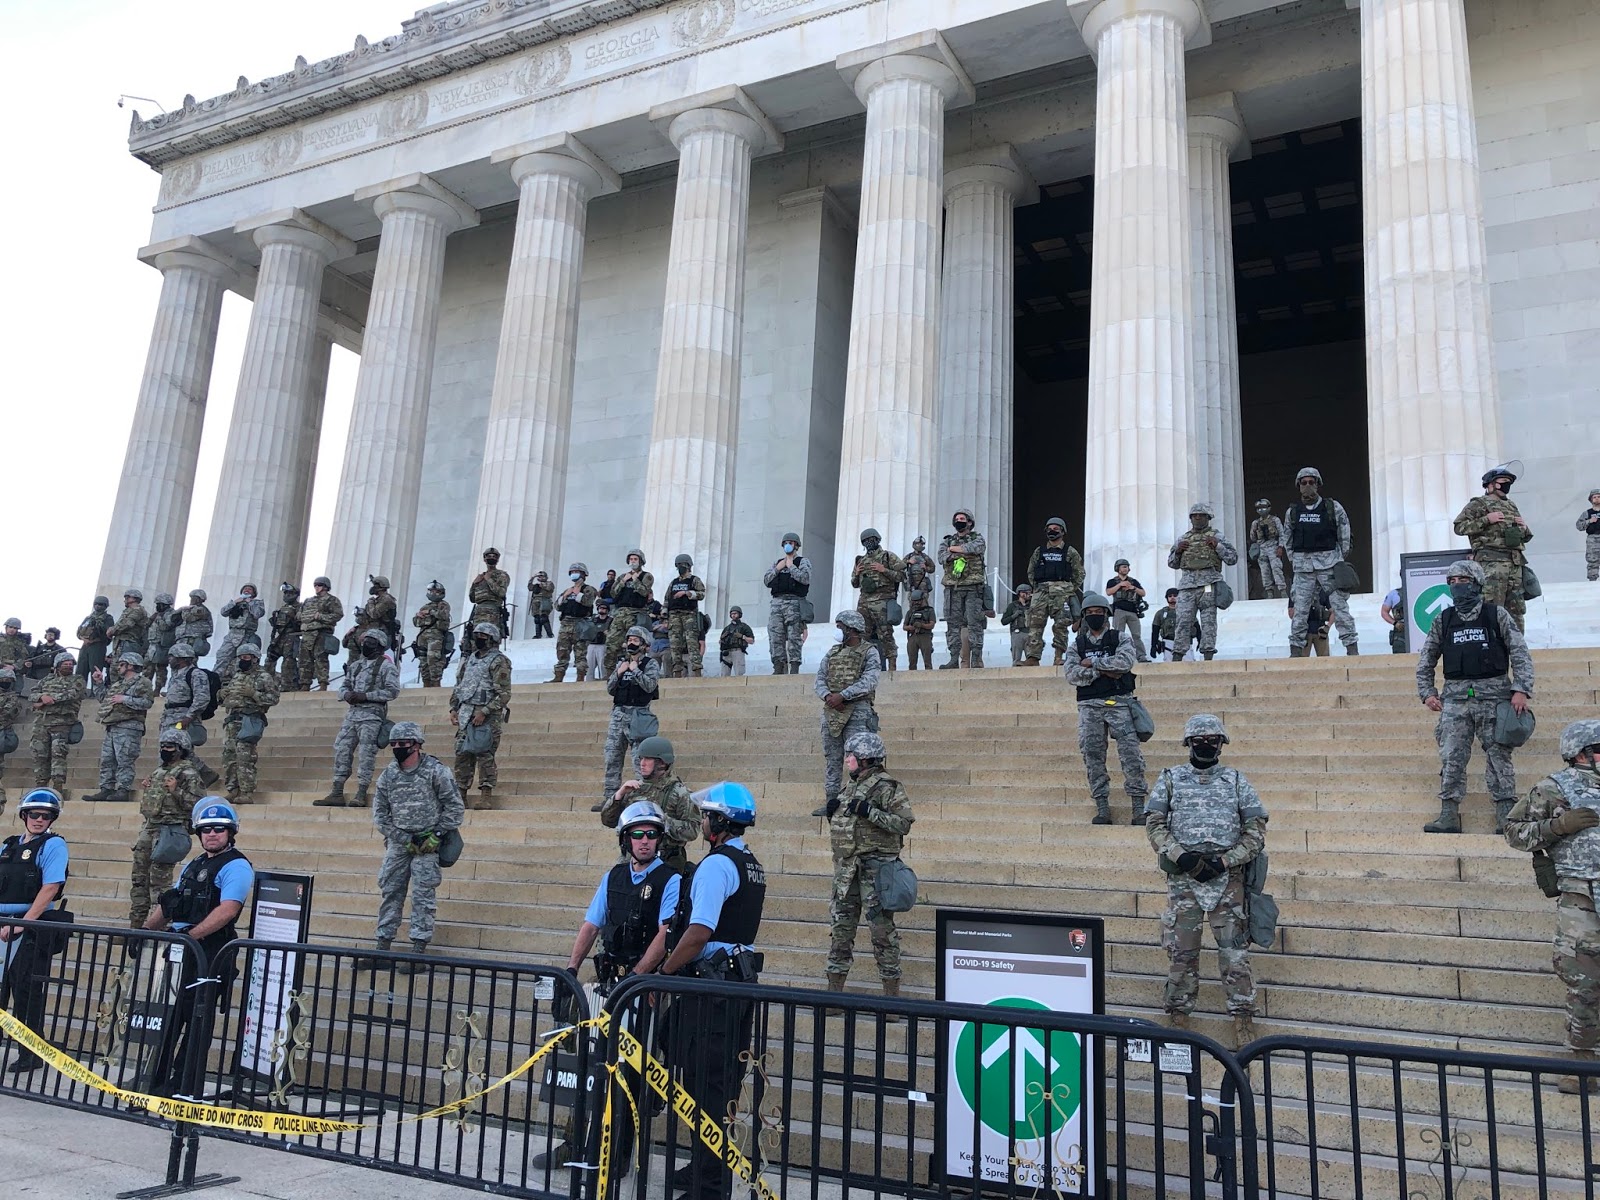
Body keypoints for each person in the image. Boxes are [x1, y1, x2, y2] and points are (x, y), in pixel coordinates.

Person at [549, 799, 684, 1170]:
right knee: (590, 1065)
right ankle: (573, 1145)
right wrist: (571, 970)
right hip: (607, 982)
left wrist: (638, 975)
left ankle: (620, 1154)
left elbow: (666, 932)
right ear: (626, 839)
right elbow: (591, 925)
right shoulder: (614, 876)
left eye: (651, 834)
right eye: (637, 834)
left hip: (641, 988)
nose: (645, 841)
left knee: (630, 1073)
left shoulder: (670, 879)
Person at [657, 782, 765, 1200]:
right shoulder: (749, 861)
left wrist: (665, 971)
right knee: (702, 1073)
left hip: (714, 989)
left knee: (710, 1085)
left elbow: (699, 931)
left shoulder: (717, 865)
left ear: (719, 821)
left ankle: (710, 1186)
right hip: (732, 985)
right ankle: (703, 1166)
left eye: (705, 816)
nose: (701, 822)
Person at [1145, 714, 1267, 1049]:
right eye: (1199, 740)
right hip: (1184, 880)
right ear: (1187, 743)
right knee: (1181, 951)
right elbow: (1154, 823)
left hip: (1227, 881)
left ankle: (1243, 1016)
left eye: (1213, 739)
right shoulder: (1170, 778)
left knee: (1235, 954)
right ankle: (1178, 1011)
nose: (1205, 744)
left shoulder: (1236, 780)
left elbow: (1256, 831)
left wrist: (1226, 860)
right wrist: (1179, 854)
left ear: (1221, 743)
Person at [1503, 719, 1600, 1095]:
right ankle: (1579, 1064)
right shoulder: (1555, 788)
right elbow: (1512, 830)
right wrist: (1557, 828)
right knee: (1585, 983)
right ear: (1582, 753)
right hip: (1582, 900)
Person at [140, 798, 254, 1095]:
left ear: (231, 833)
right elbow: (171, 903)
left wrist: (193, 935)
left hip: (210, 952)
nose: (212, 834)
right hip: (184, 950)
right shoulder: (195, 863)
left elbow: (228, 909)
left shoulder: (237, 865)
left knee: (196, 1023)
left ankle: (184, 1085)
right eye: (206, 830)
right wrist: (144, 932)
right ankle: (157, 1082)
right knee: (172, 1018)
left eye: (219, 829)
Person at [1417, 559, 1534, 834]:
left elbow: (1520, 654)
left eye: (1463, 581)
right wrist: (1427, 693)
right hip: (1455, 701)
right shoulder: (1443, 619)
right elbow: (1426, 660)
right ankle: (1448, 814)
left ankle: (1506, 813)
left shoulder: (1497, 615)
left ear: (1477, 583)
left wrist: (1521, 689)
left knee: (1498, 756)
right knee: (1451, 756)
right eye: (1452, 582)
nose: (1457, 586)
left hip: (1494, 698)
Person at [362, 722, 463, 973]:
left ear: (416, 745)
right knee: (390, 891)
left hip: (429, 844)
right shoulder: (389, 775)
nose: (397, 748)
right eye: (394, 744)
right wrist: (404, 839)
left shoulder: (436, 771)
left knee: (423, 895)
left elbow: (455, 807)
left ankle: (418, 950)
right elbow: (381, 816)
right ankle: (382, 947)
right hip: (400, 843)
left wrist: (436, 835)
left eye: (403, 744)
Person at [825, 730, 913, 1000]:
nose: (847, 760)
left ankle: (891, 998)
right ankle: (833, 997)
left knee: (882, 934)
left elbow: (903, 822)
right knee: (841, 931)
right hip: (848, 871)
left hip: (876, 871)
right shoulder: (849, 786)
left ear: (866, 758)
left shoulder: (888, 786)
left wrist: (870, 812)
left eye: (851, 756)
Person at [0, 789, 70, 1075]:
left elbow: (51, 887)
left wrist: (23, 923)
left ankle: (31, 1054)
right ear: (24, 816)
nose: (39, 820)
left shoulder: (53, 845)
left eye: (46, 816)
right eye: (34, 814)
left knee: (27, 994)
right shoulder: (8, 845)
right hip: (3, 921)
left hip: (29, 926)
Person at [1066, 593, 1149, 825]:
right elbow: (1072, 674)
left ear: (1106, 614)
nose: (1094, 616)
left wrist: (1092, 663)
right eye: (1090, 613)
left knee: (1131, 755)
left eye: (1098, 612)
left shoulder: (1119, 638)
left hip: (1118, 702)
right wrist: (1105, 670)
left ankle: (1138, 808)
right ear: (1084, 616)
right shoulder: (1077, 645)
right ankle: (1102, 807)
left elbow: (1124, 663)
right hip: (1089, 707)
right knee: (1092, 756)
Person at [128, 728, 203, 929]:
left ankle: (155, 928)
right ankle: (135, 927)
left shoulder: (188, 773)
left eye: (169, 746)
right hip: (150, 827)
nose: (165, 750)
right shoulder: (159, 770)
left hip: (169, 831)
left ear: (181, 749)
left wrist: (176, 790)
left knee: (159, 884)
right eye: (162, 746)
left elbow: (197, 804)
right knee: (139, 880)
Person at [317, 629, 400, 809]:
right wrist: (347, 695)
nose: (365, 645)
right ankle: (337, 791)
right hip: (352, 715)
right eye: (364, 641)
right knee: (341, 750)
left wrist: (366, 695)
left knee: (366, 755)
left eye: (370, 641)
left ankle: (361, 792)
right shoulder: (356, 666)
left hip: (372, 716)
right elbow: (343, 686)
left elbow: (393, 691)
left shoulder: (386, 667)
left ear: (379, 645)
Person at [1284, 468, 1359, 655]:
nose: (1308, 486)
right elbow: (1287, 539)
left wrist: (1340, 558)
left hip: (1329, 564)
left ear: (1318, 484)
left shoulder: (1332, 507)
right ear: (1298, 486)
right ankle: (1295, 652)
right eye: (1304, 482)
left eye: (1311, 482)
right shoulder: (1292, 512)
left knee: (1340, 609)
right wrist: (1296, 560)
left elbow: (1345, 532)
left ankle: (1352, 650)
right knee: (1300, 612)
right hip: (1303, 567)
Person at [814, 610, 881, 817]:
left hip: (858, 711)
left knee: (860, 759)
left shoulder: (869, 651)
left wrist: (843, 696)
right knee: (832, 759)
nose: (837, 631)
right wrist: (828, 697)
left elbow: (869, 680)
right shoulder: (833, 652)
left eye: (840, 627)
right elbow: (819, 679)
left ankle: (858, 803)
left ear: (851, 629)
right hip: (832, 712)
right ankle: (831, 802)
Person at [1455, 462, 1534, 631]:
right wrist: (1486, 520)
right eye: (1501, 481)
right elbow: (1459, 527)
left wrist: (1524, 528)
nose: (1505, 485)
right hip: (1491, 562)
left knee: (1516, 609)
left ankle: (1516, 646)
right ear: (1490, 485)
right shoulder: (1478, 504)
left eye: (1508, 482)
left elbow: (1524, 537)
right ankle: (1490, 646)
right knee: (1491, 606)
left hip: (1514, 563)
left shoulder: (1511, 505)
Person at [599, 735, 699, 868]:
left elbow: (692, 830)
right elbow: (608, 820)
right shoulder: (634, 789)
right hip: (631, 863)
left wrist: (662, 821)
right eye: (641, 758)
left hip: (664, 864)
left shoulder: (680, 793)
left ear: (662, 763)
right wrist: (619, 794)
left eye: (648, 758)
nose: (642, 763)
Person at [597, 626, 659, 813]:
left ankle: (642, 801)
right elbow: (610, 689)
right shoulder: (621, 663)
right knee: (612, 758)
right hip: (618, 715)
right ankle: (610, 802)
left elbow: (650, 686)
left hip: (639, 716)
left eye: (635, 640)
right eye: (629, 640)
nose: (631, 643)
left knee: (640, 762)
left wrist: (636, 671)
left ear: (644, 644)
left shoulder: (650, 664)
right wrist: (619, 673)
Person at [450, 622, 512, 810]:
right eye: (476, 635)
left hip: (487, 716)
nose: (478, 639)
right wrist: (453, 708)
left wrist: (484, 711)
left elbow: (504, 694)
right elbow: (459, 685)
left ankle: (486, 794)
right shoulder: (470, 660)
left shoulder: (499, 661)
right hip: (466, 712)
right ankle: (460, 793)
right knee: (462, 754)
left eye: (482, 636)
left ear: (492, 639)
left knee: (485, 755)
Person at [1167, 503, 1239, 661]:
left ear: (1208, 518)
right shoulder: (1183, 538)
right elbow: (1172, 563)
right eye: (1194, 515)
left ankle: (1208, 654)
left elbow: (1232, 558)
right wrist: (1178, 551)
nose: (1197, 518)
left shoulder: (1217, 536)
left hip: (1208, 585)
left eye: (1201, 515)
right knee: (1183, 621)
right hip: (1187, 586)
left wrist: (1218, 546)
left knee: (1208, 621)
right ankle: (1178, 655)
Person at [85, 651, 153, 803]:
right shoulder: (118, 684)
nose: (118, 667)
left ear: (130, 665)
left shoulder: (143, 682)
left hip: (129, 726)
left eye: (122, 664)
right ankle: (106, 789)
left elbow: (147, 702)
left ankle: (123, 789)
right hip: (112, 725)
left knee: (124, 759)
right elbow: (105, 699)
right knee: (107, 759)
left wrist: (126, 699)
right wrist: (98, 683)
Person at [217, 641, 279, 804]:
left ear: (254, 659)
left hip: (250, 719)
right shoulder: (236, 675)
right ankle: (232, 789)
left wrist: (254, 694)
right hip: (232, 718)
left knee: (245, 756)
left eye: (245, 657)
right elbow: (227, 695)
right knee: (229, 757)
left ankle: (246, 791)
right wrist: (221, 694)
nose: (241, 660)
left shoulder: (263, 676)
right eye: (240, 657)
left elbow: (273, 699)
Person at [1022, 517, 1083, 667]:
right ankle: (1033, 657)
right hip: (1041, 593)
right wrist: (1037, 588)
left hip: (1061, 594)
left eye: (1056, 528)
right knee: (1035, 625)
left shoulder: (1070, 551)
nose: (1052, 531)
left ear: (1063, 531)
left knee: (1061, 625)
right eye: (1049, 528)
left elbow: (1079, 573)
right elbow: (1031, 571)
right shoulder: (1039, 551)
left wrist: (1068, 589)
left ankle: (1058, 656)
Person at [160, 643, 220, 788]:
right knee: (172, 748)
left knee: (180, 748)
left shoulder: (195, 674)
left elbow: (202, 697)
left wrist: (189, 716)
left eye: (172, 656)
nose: (169, 659)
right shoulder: (175, 675)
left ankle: (204, 773)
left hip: (182, 717)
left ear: (181, 658)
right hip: (170, 716)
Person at [30, 652, 85, 801]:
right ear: (57, 665)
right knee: (39, 755)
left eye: (70, 663)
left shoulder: (77, 679)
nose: (68, 665)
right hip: (41, 723)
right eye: (65, 663)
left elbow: (72, 694)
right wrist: (41, 697)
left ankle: (58, 787)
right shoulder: (46, 680)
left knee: (58, 755)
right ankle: (40, 785)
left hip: (62, 724)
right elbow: (33, 693)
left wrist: (49, 699)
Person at [939, 508, 989, 669]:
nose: (959, 521)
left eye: (962, 518)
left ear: (969, 522)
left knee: (975, 624)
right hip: (953, 588)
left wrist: (954, 550)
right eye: (957, 518)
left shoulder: (977, 538)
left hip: (973, 588)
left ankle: (976, 658)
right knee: (952, 625)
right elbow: (942, 557)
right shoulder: (947, 540)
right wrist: (961, 552)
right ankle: (954, 658)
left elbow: (976, 548)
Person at [852, 529, 905, 673]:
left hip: (882, 601)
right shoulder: (860, 560)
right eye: (866, 540)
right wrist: (857, 574)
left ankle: (892, 666)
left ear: (877, 539)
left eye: (872, 539)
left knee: (885, 634)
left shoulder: (888, 557)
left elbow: (901, 576)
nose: (869, 542)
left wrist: (884, 570)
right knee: (861, 635)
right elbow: (854, 584)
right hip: (864, 602)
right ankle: (863, 667)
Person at [763, 533, 811, 675]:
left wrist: (791, 567)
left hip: (794, 603)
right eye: (786, 542)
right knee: (775, 636)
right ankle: (778, 666)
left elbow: (805, 578)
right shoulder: (778, 562)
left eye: (791, 542)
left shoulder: (802, 561)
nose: (788, 545)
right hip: (777, 603)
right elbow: (766, 580)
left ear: (796, 545)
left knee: (794, 637)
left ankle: (794, 667)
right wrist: (778, 568)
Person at [604, 551, 655, 676]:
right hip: (620, 613)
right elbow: (613, 593)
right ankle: (609, 674)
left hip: (635, 613)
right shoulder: (623, 576)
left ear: (641, 561)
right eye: (631, 559)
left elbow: (644, 592)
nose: (632, 561)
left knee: (633, 644)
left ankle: (632, 670)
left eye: (635, 559)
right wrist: (623, 581)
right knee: (611, 643)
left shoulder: (646, 576)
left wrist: (635, 579)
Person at [551, 564, 599, 683]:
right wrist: (565, 595)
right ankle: (558, 676)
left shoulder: (589, 589)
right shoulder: (568, 590)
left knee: (580, 654)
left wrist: (578, 594)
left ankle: (580, 677)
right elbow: (557, 606)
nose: (574, 574)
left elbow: (588, 602)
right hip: (566, 624)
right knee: (562, 652)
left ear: (584, 574)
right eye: (572, 571)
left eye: (577, 571)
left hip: (580, 624)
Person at [295, 576, 343, 691]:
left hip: (321, 633)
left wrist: (321, 617)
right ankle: (305, 684)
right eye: (315, 585)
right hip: (307, 633)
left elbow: (338, 615)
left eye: (319, 585)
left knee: (321, 659)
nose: (317, 587)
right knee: (304, 660)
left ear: (326, 587)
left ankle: (323, 684)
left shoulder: (332, 600)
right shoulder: (308, 600)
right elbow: (299, 615)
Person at [664, 555, 707, 678]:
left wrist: (687, 593)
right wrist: (664, 613)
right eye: (678, 565)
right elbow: (667, 598)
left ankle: (696, 669)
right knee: (675, 643)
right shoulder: (674, 582)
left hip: (689, 614)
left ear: (688, 566)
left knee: (692, 642)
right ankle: (677, 671)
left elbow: (702, 594)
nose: (680, 568)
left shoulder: (694, 580)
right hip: (674, 615)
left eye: (682, 565)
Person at [215, 584, 265, 681]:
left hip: (247, 635)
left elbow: (257, 614)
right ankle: (216, 681)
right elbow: (223, 612)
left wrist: (250, 603)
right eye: (245, 589)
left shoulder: (257, 603)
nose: (247, 590)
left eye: (250, 589)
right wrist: (234, 602)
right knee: (222, 657)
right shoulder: (235, 602)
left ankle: (239, 682)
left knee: (244, 660)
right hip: (232, 634)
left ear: (254, 593)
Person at [1105, 559, 1150, 663]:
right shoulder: (1112, 581)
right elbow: (1109, 592)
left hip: (1133, 611)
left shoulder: (1133, 581)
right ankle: (1118, 655)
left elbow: (1143, 593)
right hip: (1119, 610)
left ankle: (1141, 656)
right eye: (1123, 566)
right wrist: (1120, 585)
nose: (1125, 568)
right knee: (1118, 634)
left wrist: (1132, 587)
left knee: (1136, 635)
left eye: (1126, 566)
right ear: (1118, 569)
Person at [411, 580, 453, 688]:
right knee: (423, 662)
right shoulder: (425, 606)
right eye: (432, 591)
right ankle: (426, 684)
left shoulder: (444, 605)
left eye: (436, 591)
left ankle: (436, 685)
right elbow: (416, 622)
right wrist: (419, 616)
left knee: (433, 660)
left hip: (436, 637)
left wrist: (430, 613)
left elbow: (443, 615)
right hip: (422, 636)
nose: (434, 593)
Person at [1248, 499, 1289, 600]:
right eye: (1259, 508)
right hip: (1262, 548)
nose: (1261, 510)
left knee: (1276, 569)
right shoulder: (1256, 523)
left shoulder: (1275, 520)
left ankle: (1282, 591)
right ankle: (1269, 592)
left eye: (1264, 507)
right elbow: (1253, 537)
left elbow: (1282, 534)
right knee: (1264, 571)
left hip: (1273, 547)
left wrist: (1280, 547)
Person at [265, 582, 302, 691]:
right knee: (269, 659)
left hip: (291, 637)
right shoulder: (283, 607)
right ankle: (267, 685)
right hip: (280, 637)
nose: (286, 595)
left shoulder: (300, 607)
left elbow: (300, 622)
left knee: (288, 662)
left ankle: (287, 686)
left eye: (289, 593)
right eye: (285, 593)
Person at [469, 547, 511, 638]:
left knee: (490, 639)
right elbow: (472, 598)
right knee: (476, 640)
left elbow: (501, 592)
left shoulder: (501, 575)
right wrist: (474, 584)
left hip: (492, 611)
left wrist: (489, 579)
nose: (491, 558)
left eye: (494, 556)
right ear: (484, 559)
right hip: (478, 612)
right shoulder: (481, 577)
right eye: (489, 556)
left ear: (497, 559)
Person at [145, 594, 180, 695]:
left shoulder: (171, 614)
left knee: (160, 668)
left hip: (163, 646)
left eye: (159, 604)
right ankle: (146, 688)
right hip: (153, 644)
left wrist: (159, 618)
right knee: (147, 667)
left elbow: (165, 627)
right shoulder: (158, 614)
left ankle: (157, 689)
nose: (157, 606)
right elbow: (147, 625)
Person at [74, 597, 114, 681]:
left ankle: (95, 692)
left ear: (105, 606)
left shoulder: (108, 618)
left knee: (95, 672)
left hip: (97, 647)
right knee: (80, 672)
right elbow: (79, 632)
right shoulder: (88, 618)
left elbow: (108, 634)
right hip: (85, 646)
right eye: (96, 604)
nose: (98, 606)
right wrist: (84, 639)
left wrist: (98, 626)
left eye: (101, 604)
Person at [1288, 586, 1333, 657]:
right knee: (1302, 659)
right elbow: (1291, 614)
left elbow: (1333, 611)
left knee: (1324, 660)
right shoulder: (1297, 591)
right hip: (1303, 632)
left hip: (1320, 631)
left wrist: (1328, 626)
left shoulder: (1322, 591)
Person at [1149, 588, 1188, 662]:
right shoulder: (1160, 613)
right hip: (1168, 643)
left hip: (1185, 642)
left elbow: (1196, 626)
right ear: (1167, 598)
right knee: (1170, 665)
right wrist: (1153, 646)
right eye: (1170, 596)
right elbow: (1155, 630)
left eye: (1175, 595)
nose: (1172, 598)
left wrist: (1199, 640)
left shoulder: (1186, 611)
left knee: (1189, 665)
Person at [175, 590, 214, 664]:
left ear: (200, 599)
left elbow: (188, 618)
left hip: (193, 640)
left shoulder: (201, 609)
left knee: (190, 662)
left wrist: (183, 609)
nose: (191, 600)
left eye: (194, 598)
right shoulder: (191, 608)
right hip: (184, 639)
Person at [110, 589, 150, 660]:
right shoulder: (129, 610)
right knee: (116, 668)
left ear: (134, 599)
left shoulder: (137, 610)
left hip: (129, 643)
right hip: (121, 643)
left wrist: (112, 630)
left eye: (127, 598)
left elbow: (127, 624)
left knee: (125, 666)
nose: (125, 600)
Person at [902, 585, 936, 671]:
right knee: (912, 661)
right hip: (913, 636)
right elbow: (904, 627)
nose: (916, 603)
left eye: (918, 601)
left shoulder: (929, 611)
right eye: (914, 601)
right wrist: (912, 627)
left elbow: (932, 624)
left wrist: (922, 625)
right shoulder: (910, 612)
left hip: (925, 636)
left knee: (927, 661)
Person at [0, 668, 19, 812]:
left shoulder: (12, 697)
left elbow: (7, 713)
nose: (5, 683)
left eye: (9, 681)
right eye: (3, 680)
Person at [717, 607, 754, 677]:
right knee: (724, 675)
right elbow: (720, 641)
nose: (733, 615)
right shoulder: (727, 628)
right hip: (726, 653)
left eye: (735, 613)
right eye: (732, 614)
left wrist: (742, 637)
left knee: (739, 673)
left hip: (738, 652)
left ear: (739, 614)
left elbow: (751, 641)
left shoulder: (744, 627)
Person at [1001, 585, 1032, 666]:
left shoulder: (1032, 605)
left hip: (1030, 633)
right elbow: (1003, 621)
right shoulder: (1012, 606)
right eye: (1027, 593)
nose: (1029, 595)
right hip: (1017, 633)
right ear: (1021, 593)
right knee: (1016, 659)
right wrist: (1014, 616)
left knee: (1032, 659)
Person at [587, 600, 611, 681]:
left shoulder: (610, 620)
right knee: (589, 665)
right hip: (591, 644)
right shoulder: (593, 619)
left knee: (602, 665)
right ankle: (589, 681)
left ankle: (603, 680)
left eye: (604, 608)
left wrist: (608, 633)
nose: (602, 610)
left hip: (603, 645)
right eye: (600, 608)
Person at [1579, 490, 1600, 583]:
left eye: (1598, 496)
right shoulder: (1587, 513)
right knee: (1592, 561)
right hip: (1593, 540)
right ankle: (1593, 583)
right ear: (1591, 500)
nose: (1597, 498)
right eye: (1594, 497)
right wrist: (1589, 521)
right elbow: (1579, 526)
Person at [528, 570, 555, 639]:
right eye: (539, 576)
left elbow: (549, 588)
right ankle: (538, 635)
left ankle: (550, 634)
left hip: (545, 601)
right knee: (537, 618)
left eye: (542, 576)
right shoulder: (537, 585)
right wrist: (532, 578)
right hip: (535, 601)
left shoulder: (549, 583)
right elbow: (530, 587)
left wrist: (541, 584)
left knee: (544, 617)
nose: (540, 578)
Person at [1381, 584, 1407, 654]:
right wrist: (1395, 623)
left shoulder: (1419, 592)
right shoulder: (1393, 594)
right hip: (1400, 631)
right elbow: (1384, 612)